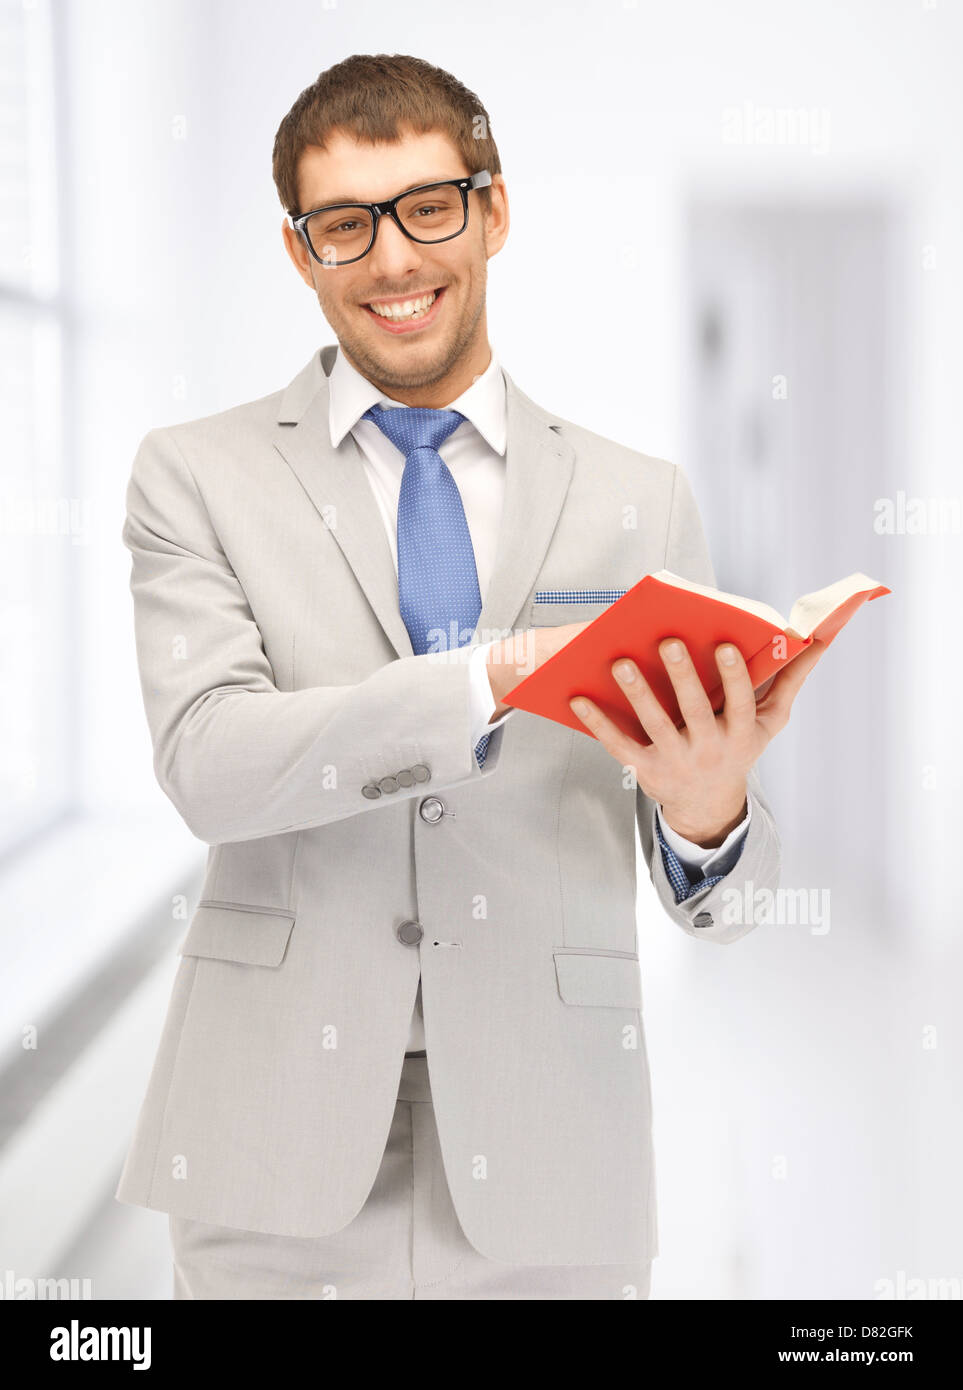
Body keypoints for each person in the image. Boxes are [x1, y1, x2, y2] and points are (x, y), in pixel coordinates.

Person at [115, 52, 824, 1300]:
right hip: (267, 1145)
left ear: (494, 209)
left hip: (557, 1150)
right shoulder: (193, 475)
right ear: (302, 254)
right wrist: (486, 682)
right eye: (345, 224)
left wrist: (709, 817)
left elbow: (732, 904)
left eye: (428, 207)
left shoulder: (637, 501)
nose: (392, 259)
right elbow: (211, 767)